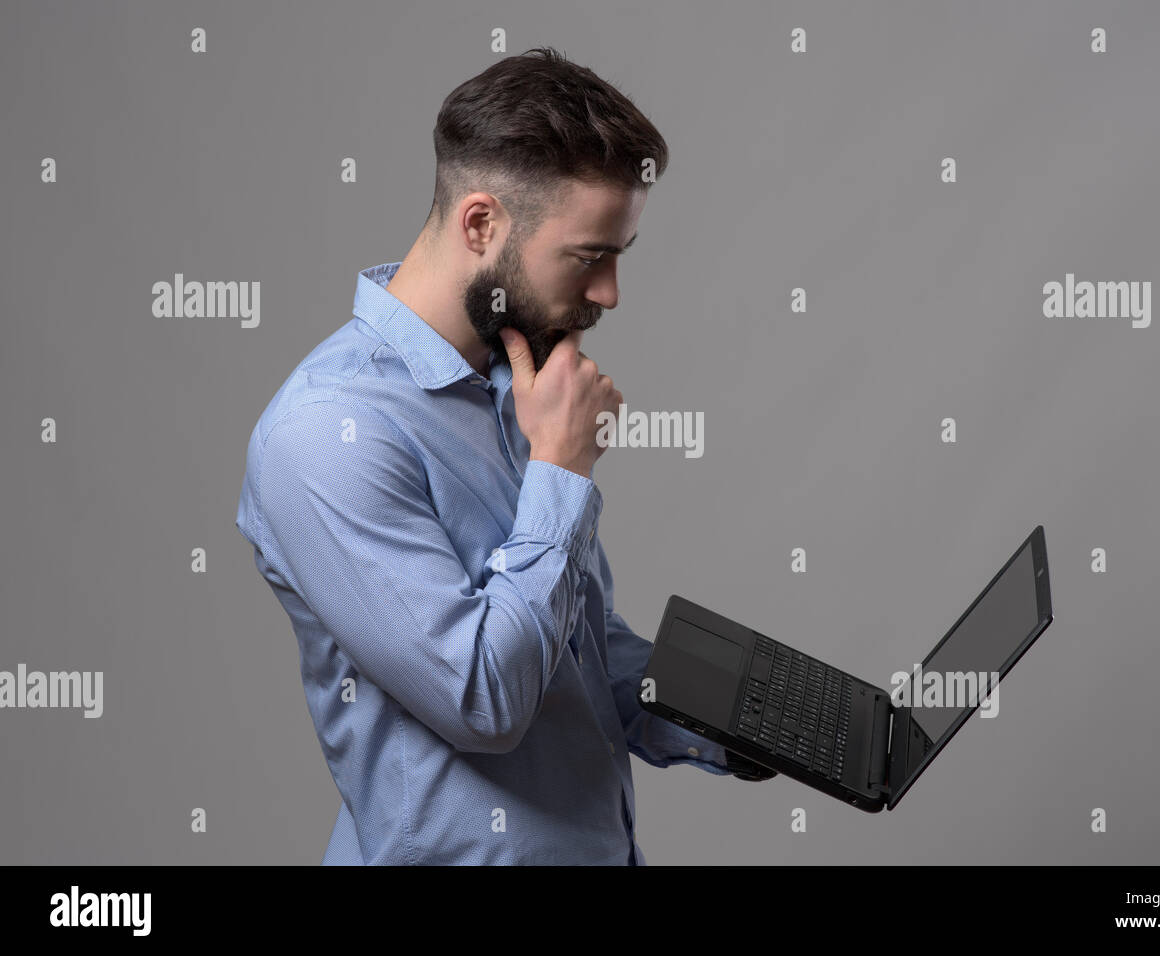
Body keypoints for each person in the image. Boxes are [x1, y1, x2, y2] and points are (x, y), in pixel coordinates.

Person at [235, 47, 773, 867]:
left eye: (619, 255)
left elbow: (573, 652)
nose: (610, 294)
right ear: (481, 223)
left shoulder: (511, 381)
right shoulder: (325, 433)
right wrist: (560, 472)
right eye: (590, 255)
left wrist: (749, 719)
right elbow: (483, 694)